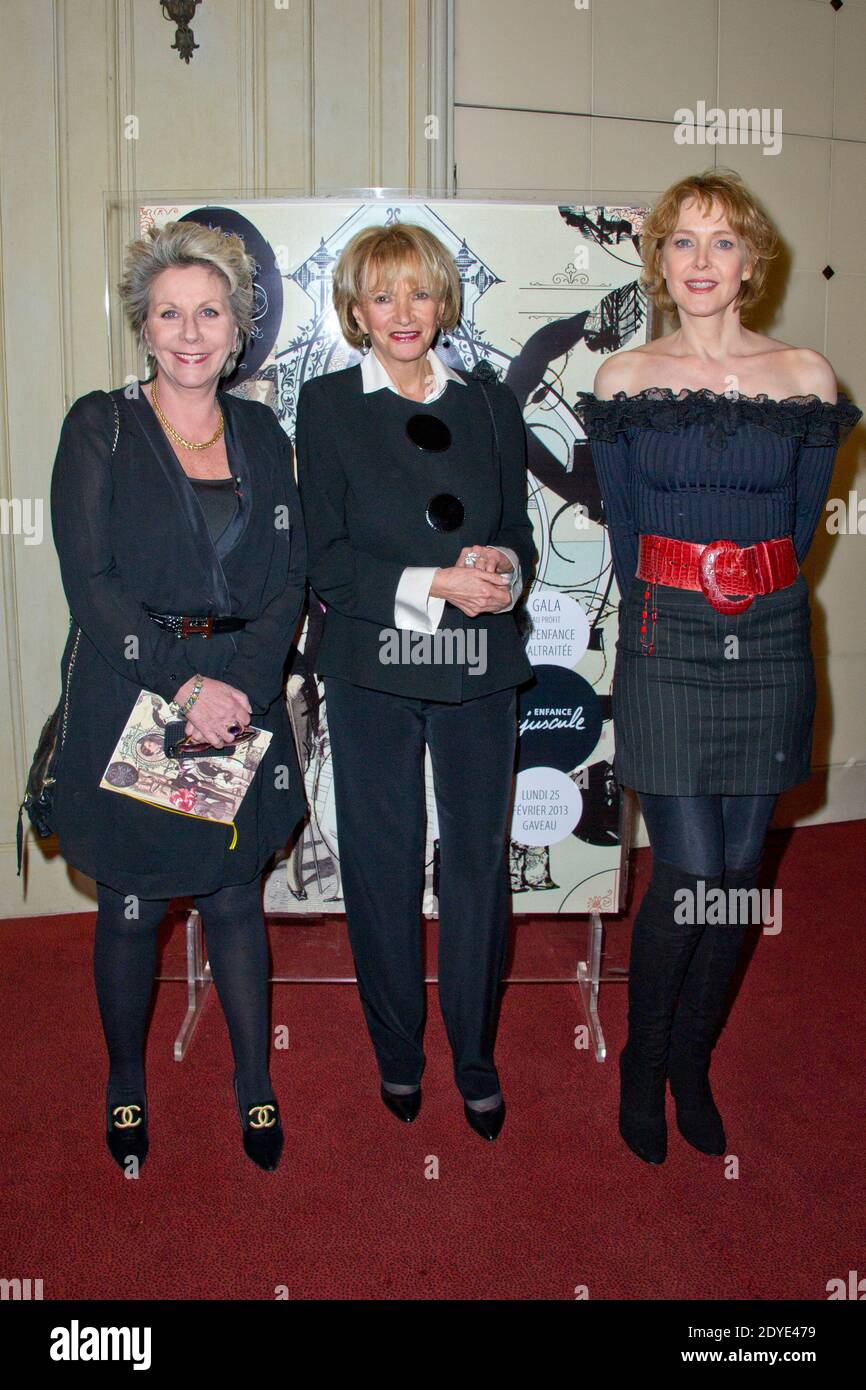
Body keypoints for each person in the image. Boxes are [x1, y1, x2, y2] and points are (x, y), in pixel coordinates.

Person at [575, 169, 861, 1165]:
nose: (699, 261)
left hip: (770, 636)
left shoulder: (805, 378)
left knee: (738, 876)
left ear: (751, 261)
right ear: (657, 261)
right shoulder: (621, 381)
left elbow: (796, 530)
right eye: (680, 242)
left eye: (720, 241)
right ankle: (639, 1059)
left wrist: (751, 597)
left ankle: (690, 1059)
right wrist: (665, 614)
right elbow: (621, 534)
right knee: (690, 868)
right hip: (666, 636)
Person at [49, 220, 307, 1172]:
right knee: (129, 908)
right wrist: (185, 683)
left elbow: (292, 576)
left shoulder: (264, 431)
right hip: (137, 699)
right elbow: (93, 585)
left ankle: (255, 1084)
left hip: (237, 703)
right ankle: (125, 1083)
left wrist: (237, 688)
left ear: (239, 327)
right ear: (143, 326)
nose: (191, 332)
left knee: (236, 901)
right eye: (170, 313)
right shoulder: (101, 427)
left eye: (210, 312)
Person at [295, 223, 536, 1141]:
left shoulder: (487, 402)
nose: (403, 313)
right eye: (382, 295)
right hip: (376, 663)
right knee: (383, 868)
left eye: (421, 292)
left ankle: (474, 1056)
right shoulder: (324, 406)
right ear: (355, 310)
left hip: (477, 662)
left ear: (445, 302)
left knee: (477, 868)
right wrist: (433, 582)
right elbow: (326, 560)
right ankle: (399, 1055)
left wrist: (502, 569)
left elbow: (519, 534)